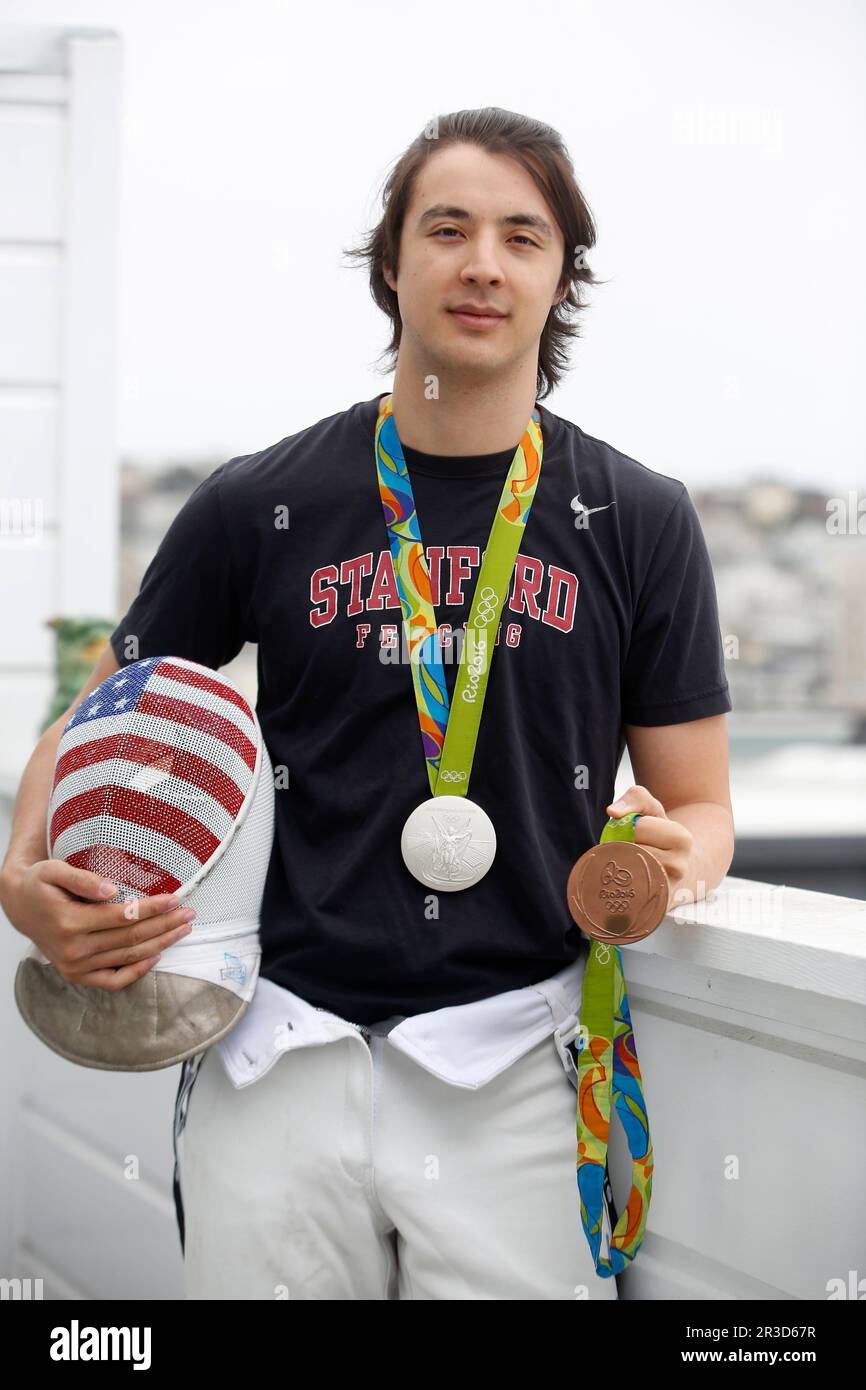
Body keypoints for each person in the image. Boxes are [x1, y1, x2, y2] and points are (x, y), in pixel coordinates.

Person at [0, 106, 734, 1300]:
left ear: (562, 277)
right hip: (271, 1049)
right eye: (445, 228)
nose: (482, 263)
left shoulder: (639, 518)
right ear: (391, 264)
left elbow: (703, 805)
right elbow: (96, 717)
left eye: (522, 236)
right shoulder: (259, 501)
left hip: (518, 1063)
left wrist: (674, 859)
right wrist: (22, 876)